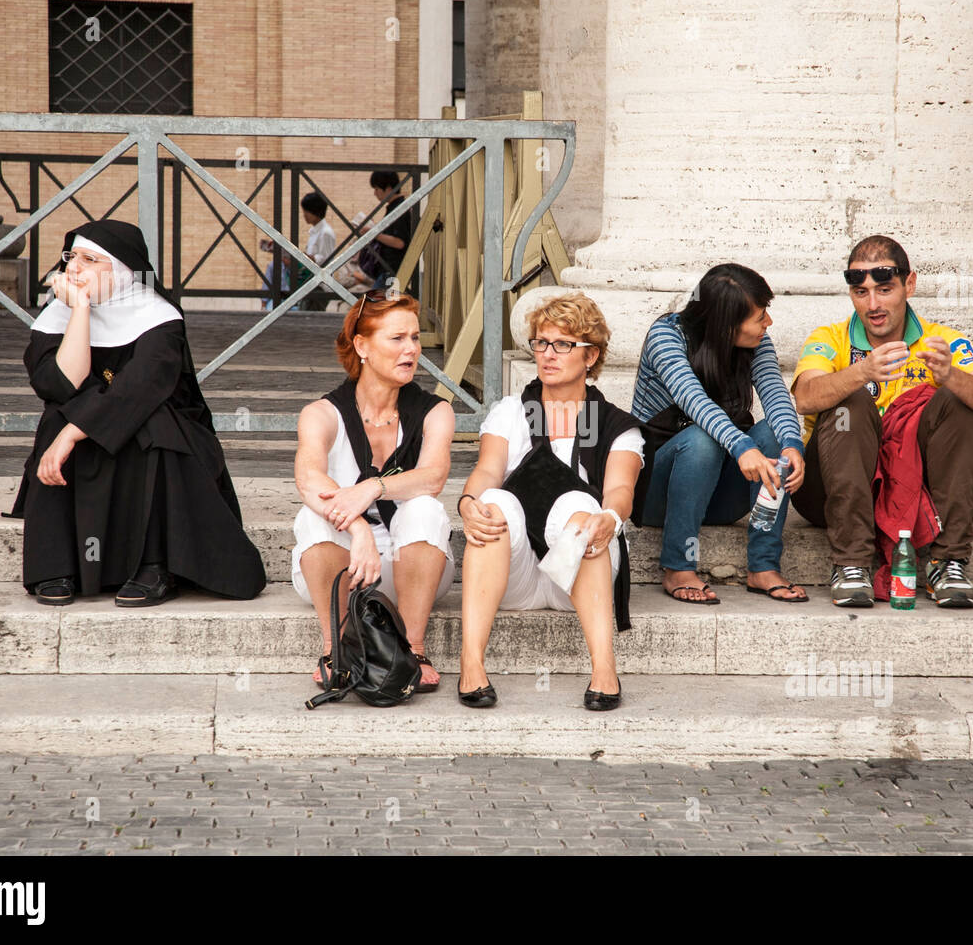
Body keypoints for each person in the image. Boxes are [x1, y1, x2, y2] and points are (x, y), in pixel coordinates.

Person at [6, 219, 266, 606]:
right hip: (90, 414)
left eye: (90, 259)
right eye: (70, 257)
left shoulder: (158, 318)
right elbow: (59, 387)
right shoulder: (57, 316)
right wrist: (79, 310)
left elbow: (139, 390)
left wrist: (74, 432)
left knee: (152, 426)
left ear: (124, 271)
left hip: (164, 428)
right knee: (58, 417)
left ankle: (155, 565)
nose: (73, 268)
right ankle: (57, 564)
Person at [790, 234, 973, 608]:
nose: (872, 304)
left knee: (960, 399)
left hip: (916, 492)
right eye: (861, 292)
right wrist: (862, 372)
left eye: (885, 289)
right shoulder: (829, 338)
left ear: (910, 284)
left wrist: (951, 377)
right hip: (827, 489)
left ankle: (948, 561)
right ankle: (850, 563)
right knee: (850, 403)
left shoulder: (943, 341)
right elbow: (805, 397)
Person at [457, 292, 644, 711]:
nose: (548, 354)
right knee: (493, 502)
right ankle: (471, 663)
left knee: (581, 508)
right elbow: (488, 471)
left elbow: (620, 491)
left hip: (580, 568)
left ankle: (604, 669)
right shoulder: (511, 410)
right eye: (541, 343)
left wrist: (609, 518)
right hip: (516, 572)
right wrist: (469, 503)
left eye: (563, 345)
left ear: (591, 355)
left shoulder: (616, 424)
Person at [291, 291, 455, 693]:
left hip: (413, 565)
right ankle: (337, 649)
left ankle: (413, 648)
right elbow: (308, 478)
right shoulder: (321, 413)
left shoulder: (436, 411)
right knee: (311, 516)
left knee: (426, 511)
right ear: (362, 346)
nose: (411, 349)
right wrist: (360, 530)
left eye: (415, 338)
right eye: (397, 339)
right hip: (342, 569)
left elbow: (433, 477)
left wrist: (372, 488)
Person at [631, 263, 808, 604]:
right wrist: (742, 445)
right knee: (702, 437)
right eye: (759, 316)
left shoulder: (757, 343)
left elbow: (774, 394)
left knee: (773, 434)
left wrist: (792, 445)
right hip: (657, 494)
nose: (767, 323)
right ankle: (678, 568)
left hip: (721, 497)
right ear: (727, 325)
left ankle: (763, 567)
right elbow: (695, 402)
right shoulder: (666, 336)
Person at [300, 191, 336, 312]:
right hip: (311, 284)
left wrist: (311, 258)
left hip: (320, 287)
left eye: (306, 211)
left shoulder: (326, 232)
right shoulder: (314, 231)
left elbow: (327, 259)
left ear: (315, 211)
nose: (304, 215)